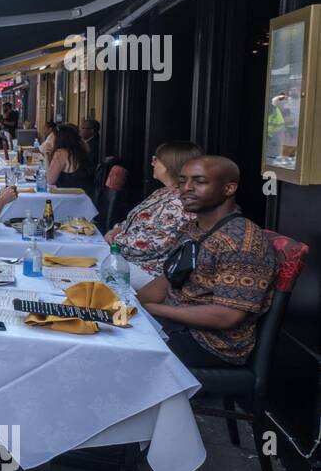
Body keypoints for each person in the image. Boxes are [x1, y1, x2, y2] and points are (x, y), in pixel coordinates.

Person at [137, 156, 277, 369]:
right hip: (175, 324)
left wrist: (152, 309)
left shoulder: (241, 242)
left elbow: (228, 315)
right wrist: (128, 304)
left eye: (199, 181)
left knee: (109, 350)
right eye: (183, 181)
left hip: (209, 344)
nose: (187, 188)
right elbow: (169, 279)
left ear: (229, 188)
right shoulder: (194, 228)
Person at [105, 141, 203, 274]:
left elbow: (152, 244)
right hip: (127, 259)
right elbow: (134, 222)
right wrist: (116, 230)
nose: (152, 163)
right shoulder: (162, 192)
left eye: (156, 159)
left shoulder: (180, 203)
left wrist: (115, 241)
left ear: (170, 165)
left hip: (147, 271)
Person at [45, 123, 93, 191]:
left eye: (52, 137)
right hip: (84, 194)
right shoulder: (81, 150)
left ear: (59, 138)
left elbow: (50, 181)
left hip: (69, 196)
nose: (50, 140)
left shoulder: (61, 153)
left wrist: (46, 155)